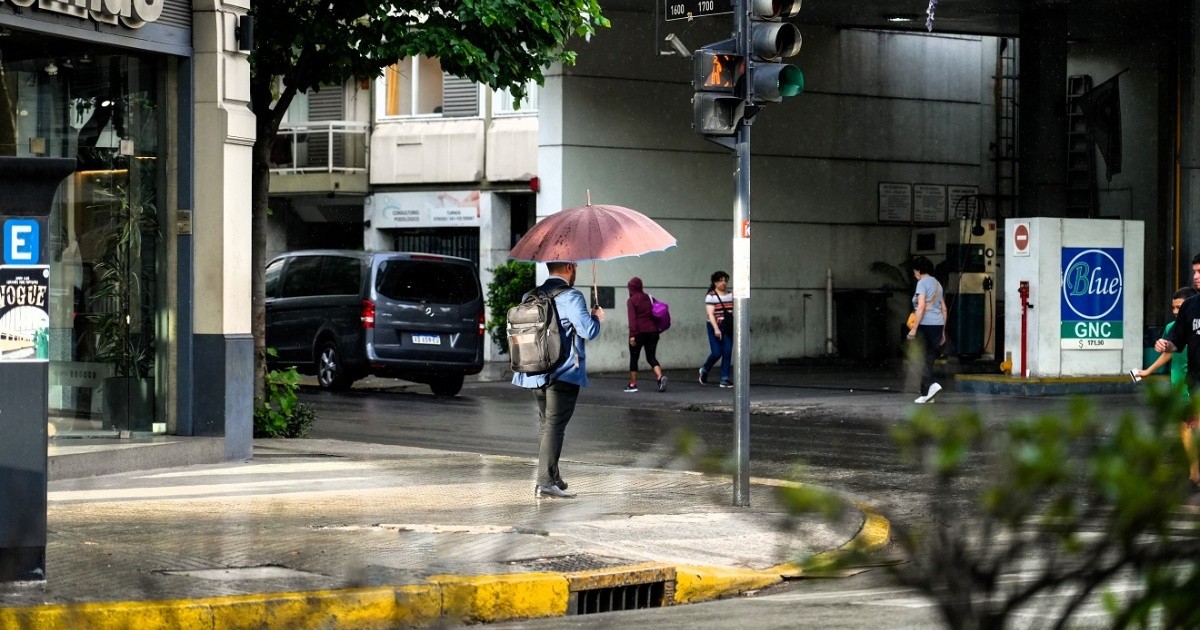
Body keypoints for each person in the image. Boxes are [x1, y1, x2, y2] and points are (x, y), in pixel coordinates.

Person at [512, 261, 604, 499]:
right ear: (570, 267)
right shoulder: (572, 296)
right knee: (555, 425)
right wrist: (597, 318)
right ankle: (545, 482)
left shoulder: (530, 295)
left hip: (533, 370)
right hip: (563, 372)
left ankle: (552, 476)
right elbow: (588, 331)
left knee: (547, 424)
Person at [1136, 286, 1200, 489]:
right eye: (1173, 307)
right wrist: (1149, 369)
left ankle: (1194, 472)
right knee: (1187, 428)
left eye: (1178, 307)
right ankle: (1194, 470)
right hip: (1186, 384)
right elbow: (1171, 349)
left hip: (1188, 386)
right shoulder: (1178, 322)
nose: (1175, 311)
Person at [1154, 253, 1200, 490]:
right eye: (1194, 272)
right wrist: (1164, 344)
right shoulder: (1190, 307)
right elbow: (1177, 343)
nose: (1196, 277)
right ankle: (1195, 473)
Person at [907, 256, 948, 403]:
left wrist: (914, 329)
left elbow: (921, 307)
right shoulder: (938, 284)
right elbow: (943, 308)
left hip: (925, 325)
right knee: (929, 358)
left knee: (923, 358)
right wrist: (942, 331)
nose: (914, 274)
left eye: (914, 271)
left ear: (919, 270)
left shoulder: (922, 283)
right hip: (937, 325)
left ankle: (932, 385)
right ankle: (926, 395)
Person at [624, 276, 666, 393]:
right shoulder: (649, 297)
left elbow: (632, 319)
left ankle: (633, 384)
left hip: (639, 333)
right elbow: (658, 311)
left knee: (634, 358)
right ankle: (660, 377)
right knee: (651, 357)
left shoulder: (631, 301)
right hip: (653, 332)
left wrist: (632, 335)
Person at [700, 270, 734, 388]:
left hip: (727, 326)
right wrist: (716, 329)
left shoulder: (731, 295)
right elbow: (710, 314)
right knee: (716, 352)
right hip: (714, 325)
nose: (723, 283)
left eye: (725, 280)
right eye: (720, 281)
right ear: (715, 282)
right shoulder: (711, 296)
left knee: (727, 351)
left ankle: (724, 378)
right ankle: (705, 369)